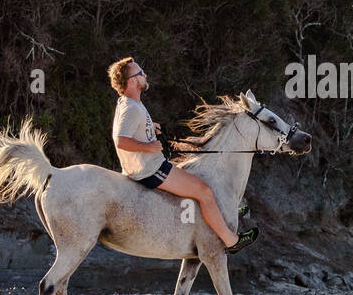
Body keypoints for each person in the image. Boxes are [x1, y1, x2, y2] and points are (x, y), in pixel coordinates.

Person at [108, 57, 257, 254]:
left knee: (195, 174)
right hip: (150, 170)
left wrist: (149, 128)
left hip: (149, 165)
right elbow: (121, 141)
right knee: (204, 192)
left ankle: (228, 209)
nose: (145, 75)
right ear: (132, 81)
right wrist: (150, 147)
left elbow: (129, 130)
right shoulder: (131, 108)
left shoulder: (127, 103)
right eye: (140, 73)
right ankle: (232, 241)